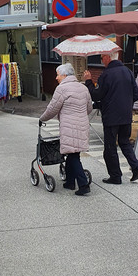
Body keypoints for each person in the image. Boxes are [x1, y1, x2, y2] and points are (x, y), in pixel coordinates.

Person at [83, 50, 138, 184]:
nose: (101, 60)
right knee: (125, 142)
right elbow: (136, 95)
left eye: (102, 57)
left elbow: (96, 95)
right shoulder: (128, 72)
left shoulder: (106, 75)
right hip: (126, 114)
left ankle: (115, 176)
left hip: (111, 116)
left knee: (110, 147)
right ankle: (136, 167)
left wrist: (88, 81)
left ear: (108, 57)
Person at [39, 63, 92, 195]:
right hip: (82, 124)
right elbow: (89, 108)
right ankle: (69, 182)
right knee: (73, 153)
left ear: (64, 75)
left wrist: (42, 119)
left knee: (73, 156)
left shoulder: (62, 89)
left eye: (57, 75)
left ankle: (83, 184)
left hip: (69, 126)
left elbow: (52, 108)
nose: (56, 78)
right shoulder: (83, 87)